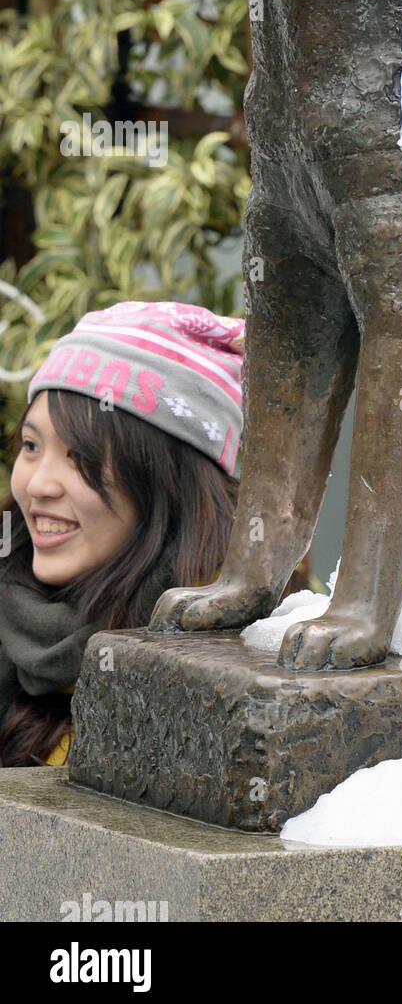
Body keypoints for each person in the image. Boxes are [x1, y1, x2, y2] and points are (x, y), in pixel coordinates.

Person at [0, 301, 243, 766]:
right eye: (31, 446)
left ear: (166, 487)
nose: (37, 484)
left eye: (82, 457)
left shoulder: (229, 676)